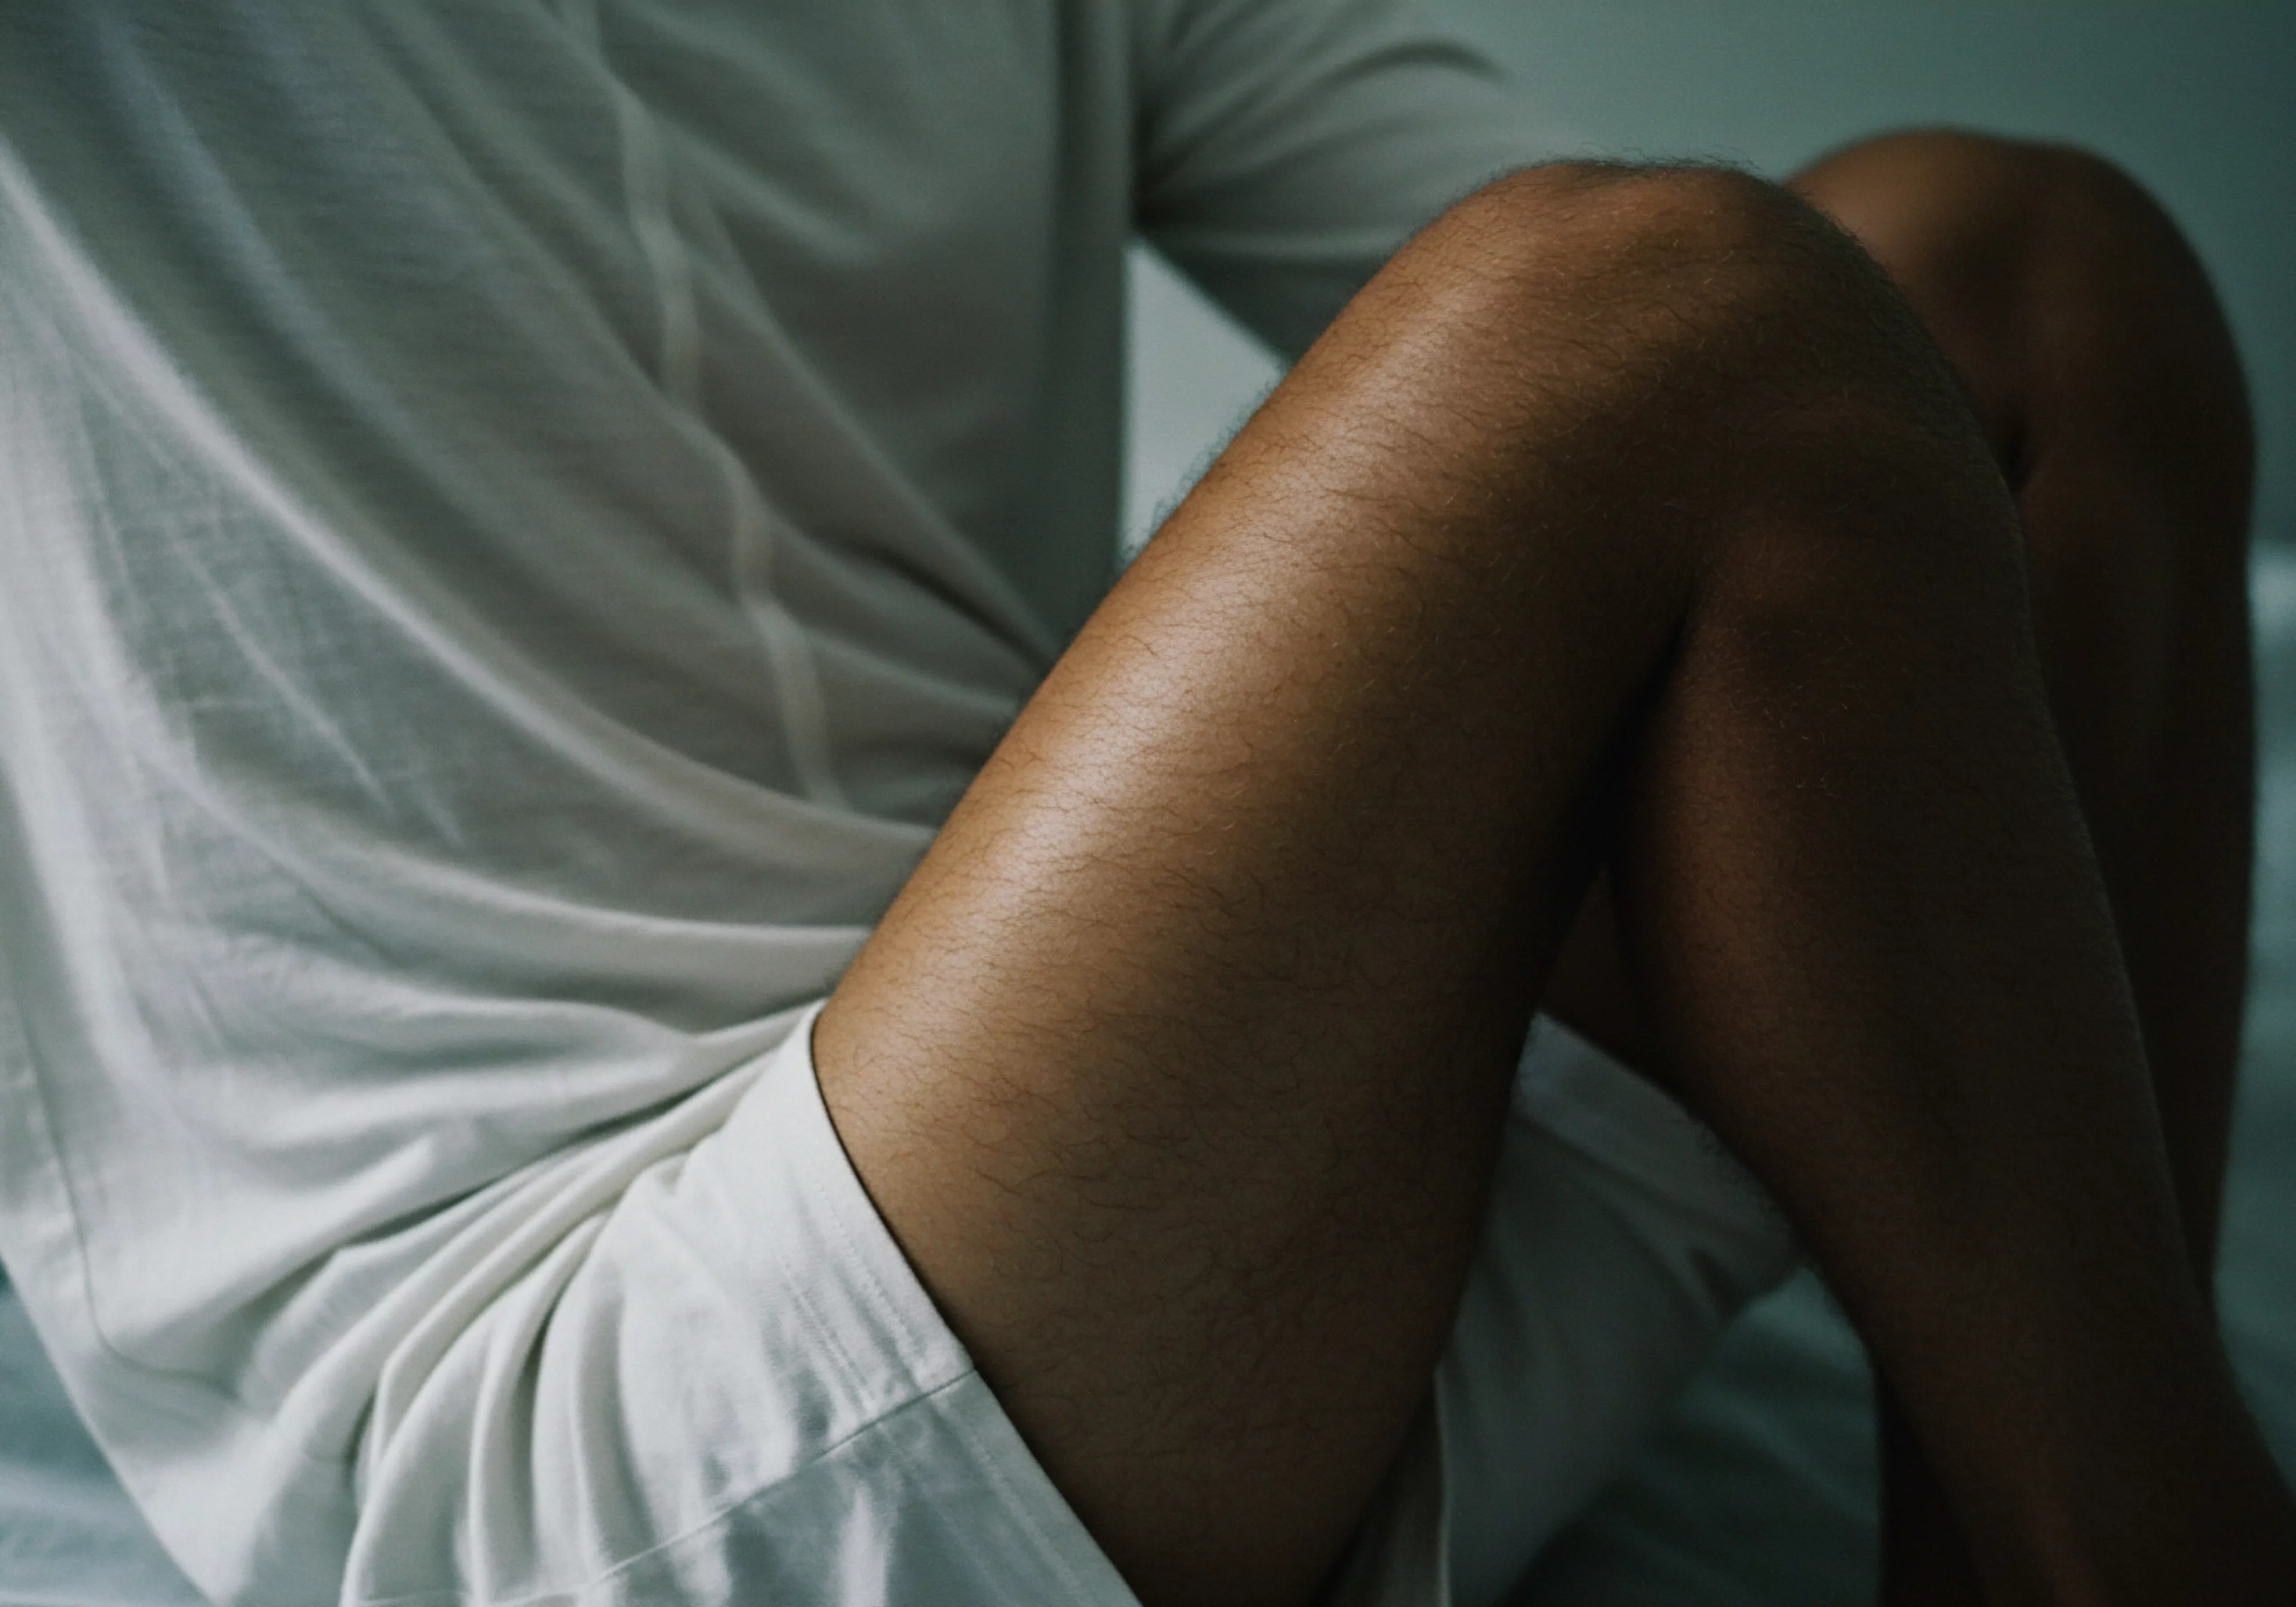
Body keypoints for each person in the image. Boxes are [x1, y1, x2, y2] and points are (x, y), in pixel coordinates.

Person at [0, 2, 2288, 1605]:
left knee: (2022, 280)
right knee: (1674, 319)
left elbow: (1794, 420)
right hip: (646, 1454)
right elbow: (1657, 341)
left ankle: (2021, 1537)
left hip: (1217, 1267)